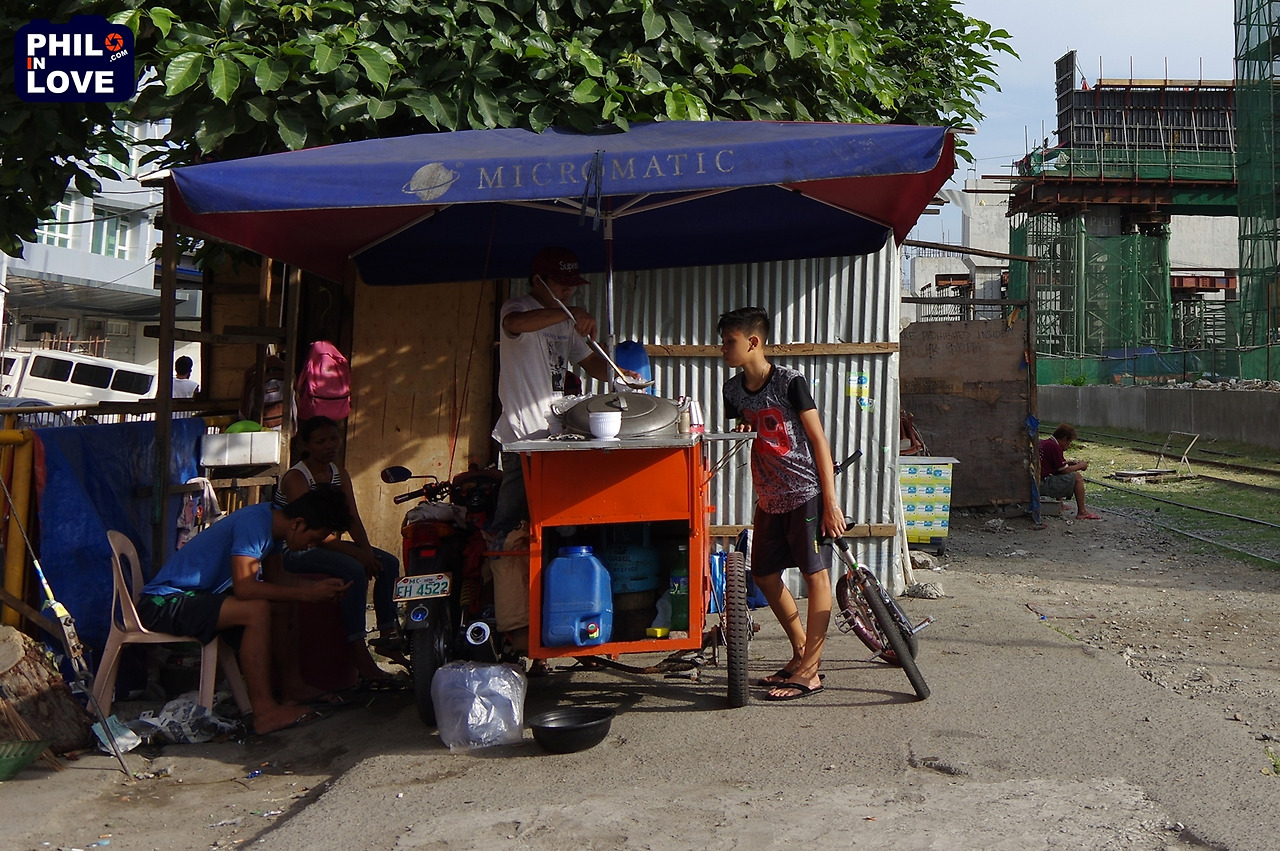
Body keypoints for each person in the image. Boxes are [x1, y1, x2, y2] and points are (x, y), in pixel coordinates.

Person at [138, 487, 353, 734]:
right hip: (162, 603)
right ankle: (265, 713)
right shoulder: (255, 524)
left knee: (283, 603)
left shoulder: (273, 525)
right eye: (313, 539)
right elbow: (245, 588)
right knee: (256, 609)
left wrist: (317, 588)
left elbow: (278, 579)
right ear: (298, 523)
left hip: (195, 597)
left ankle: (293, 688)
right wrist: (307, 594)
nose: (310, 546)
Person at [718, 306, 845, 701]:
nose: (722, 348)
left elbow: (818, 440)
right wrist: (742, 427)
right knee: (764, 575)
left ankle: (811, 672)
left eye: (729, 341)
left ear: (753, 342)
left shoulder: (790, 382)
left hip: (805, 491)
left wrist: (831, 503)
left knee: (815, 576)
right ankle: (800, 651)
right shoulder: (731, 391)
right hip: (769, 496)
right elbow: (743, 430)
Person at [487, 245, 639, 541]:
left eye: (572, 285)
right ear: (538, 281)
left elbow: (589, 361)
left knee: (558, 517)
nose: (568, 290)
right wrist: (570, 313)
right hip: (521, 432)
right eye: (561, 283)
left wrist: (620, 374)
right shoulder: (518, 308)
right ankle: (496, 564)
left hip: (554, 433)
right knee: (511, 517)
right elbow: (514, 324)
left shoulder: (566, 322)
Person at [274, 416, 405, 685]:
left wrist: (367, 551)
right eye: (320, 441)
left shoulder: (338, 473)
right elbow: (310, 531)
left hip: (324, 542)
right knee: (353, 570)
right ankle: (357, 649)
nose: (329, 446)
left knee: (388, 563)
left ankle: (388, 635)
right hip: (294, 548)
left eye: (333, 439)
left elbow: (352, 518)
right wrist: (357, 555)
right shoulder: (297, 477)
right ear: (306, 445)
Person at [1039, 423, 1100, 519]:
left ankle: (1060, 504)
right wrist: (1080, 465)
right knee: (1077, 477)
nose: (1068, 446)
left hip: (1038, 479)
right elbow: (1065, 470)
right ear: (1064, 438)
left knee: (1059, 473)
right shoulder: (1054, 447)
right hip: (1042, 483)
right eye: (1069, 442)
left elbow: (1057, 466)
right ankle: (1082, 512)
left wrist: (1068, 463)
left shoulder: (1045, 443)